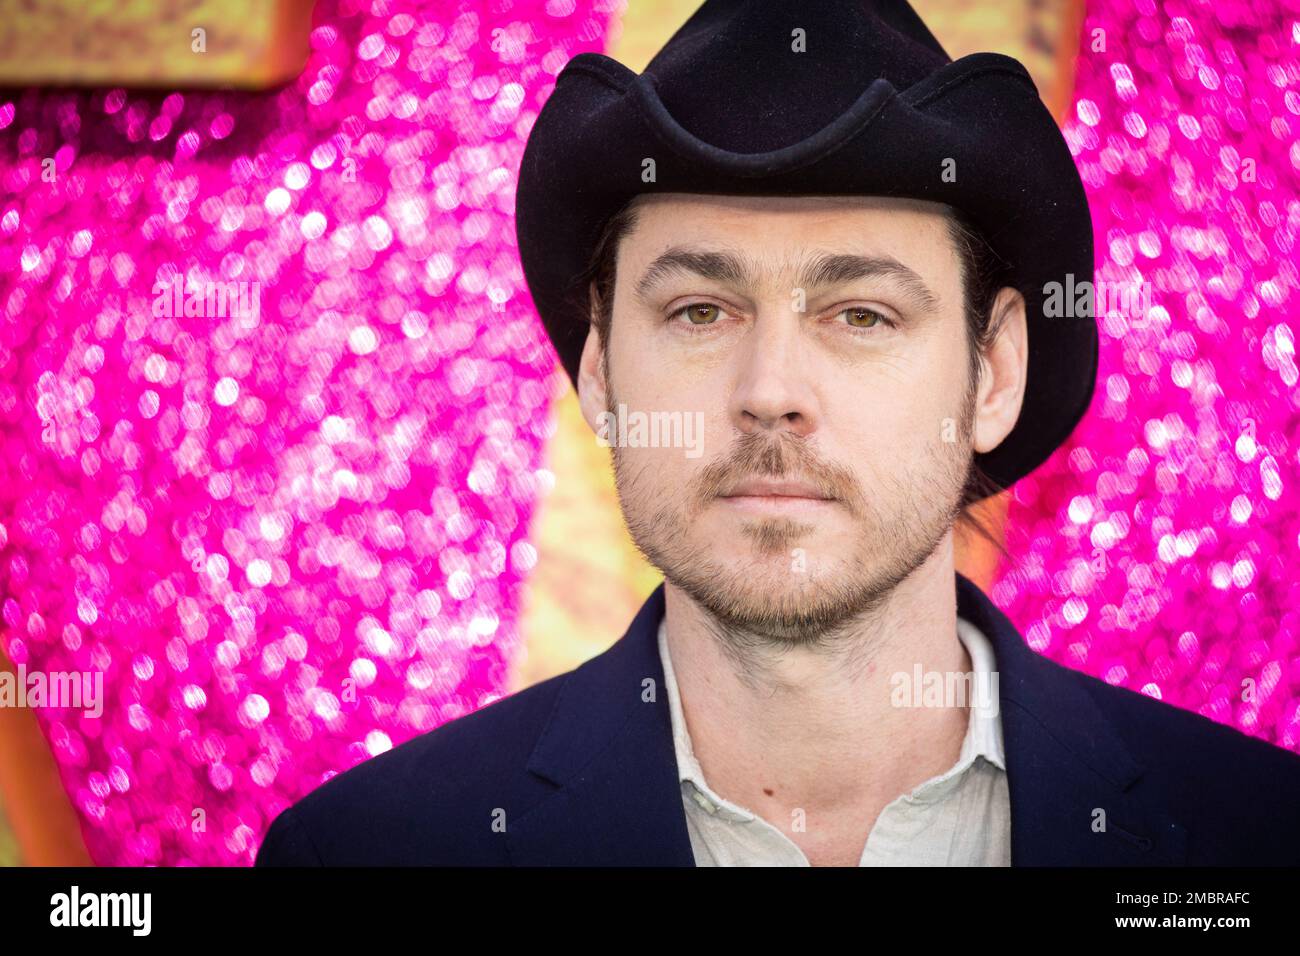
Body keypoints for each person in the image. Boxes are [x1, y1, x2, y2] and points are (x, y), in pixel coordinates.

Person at [255, 0, 1300, 866]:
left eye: (861, 314)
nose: (770, 391)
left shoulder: (1251, 838)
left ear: (993, 373)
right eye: (699, 310)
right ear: (600, 375)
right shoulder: (371, 854)